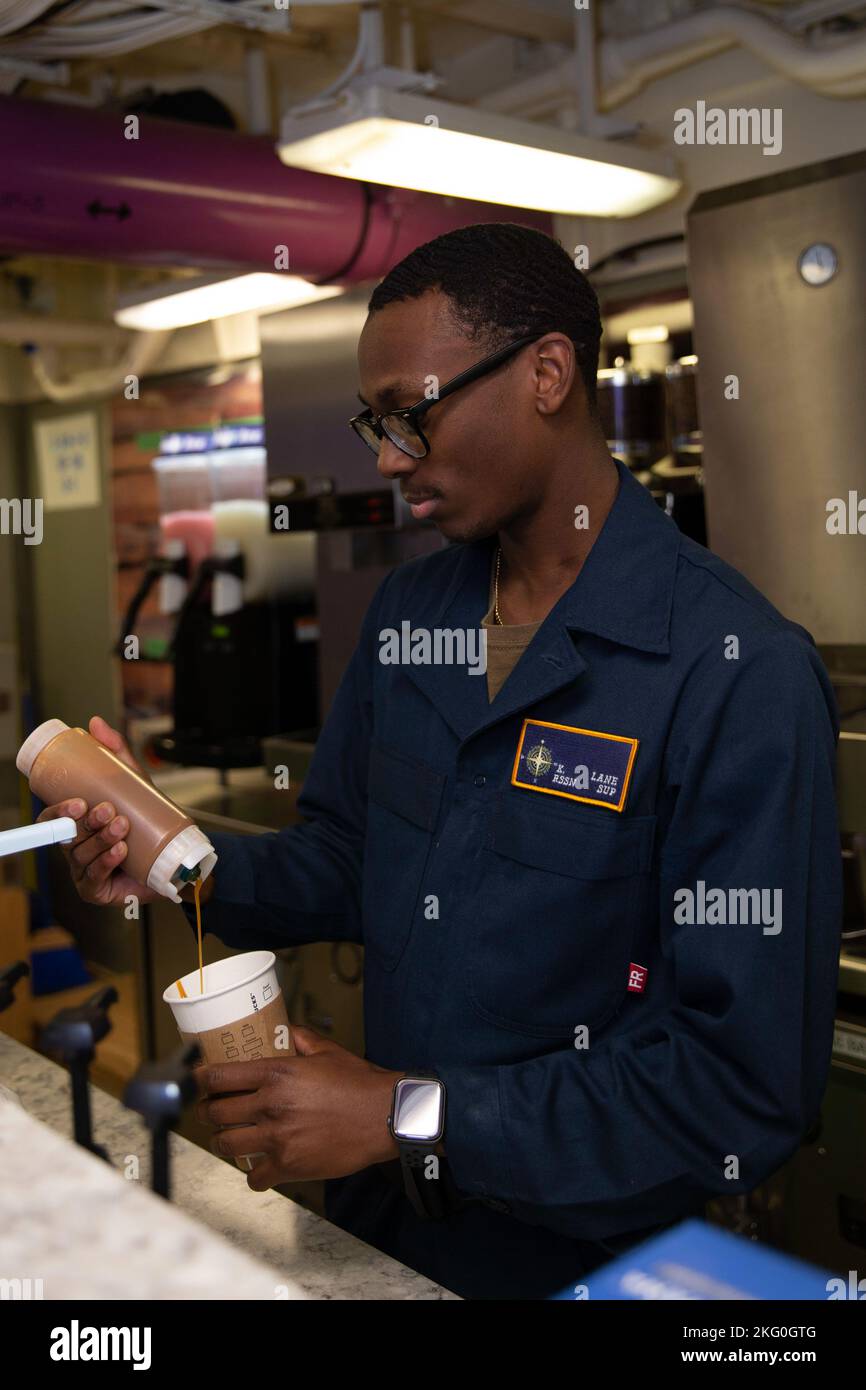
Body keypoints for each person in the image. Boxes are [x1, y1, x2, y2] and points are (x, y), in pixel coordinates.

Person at [40, 224, 842, 1300]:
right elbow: (348, 856)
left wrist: (401, 1114)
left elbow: (736, 1084)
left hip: (578, 1261)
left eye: (411, 412)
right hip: (373, 1222)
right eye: (376, 422)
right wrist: (178, 859)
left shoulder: (729, 671)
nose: (387, 456)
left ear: (546, 374)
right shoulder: (413, 611)